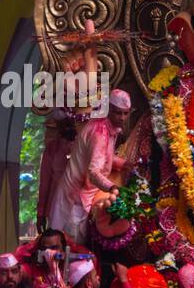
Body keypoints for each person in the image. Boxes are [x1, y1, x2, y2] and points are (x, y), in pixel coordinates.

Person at [46, 90, 132, 243]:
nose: (122, 118)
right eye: (118, 113)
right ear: (108, 109)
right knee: (69, 251)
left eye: (126, 113)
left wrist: (125, 164)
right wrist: (112, 188)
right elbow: (94, 172)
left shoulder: (108, 127)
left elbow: (104, 156)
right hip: (75, 200)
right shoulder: (99, 132)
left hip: (85, 196)